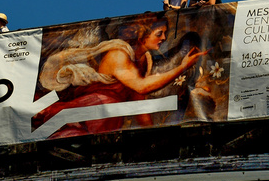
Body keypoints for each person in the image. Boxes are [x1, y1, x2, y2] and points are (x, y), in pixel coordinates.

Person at [31, 12, 205, 137]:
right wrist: (182, 67)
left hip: (110, 116)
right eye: (159, 33)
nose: (164, 38)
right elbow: (142, 86)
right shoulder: (118, 54)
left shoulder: (144, 60)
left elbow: (139, 103)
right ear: (143, 33)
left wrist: (152, 136)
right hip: (94, 109)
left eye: (165, 33)